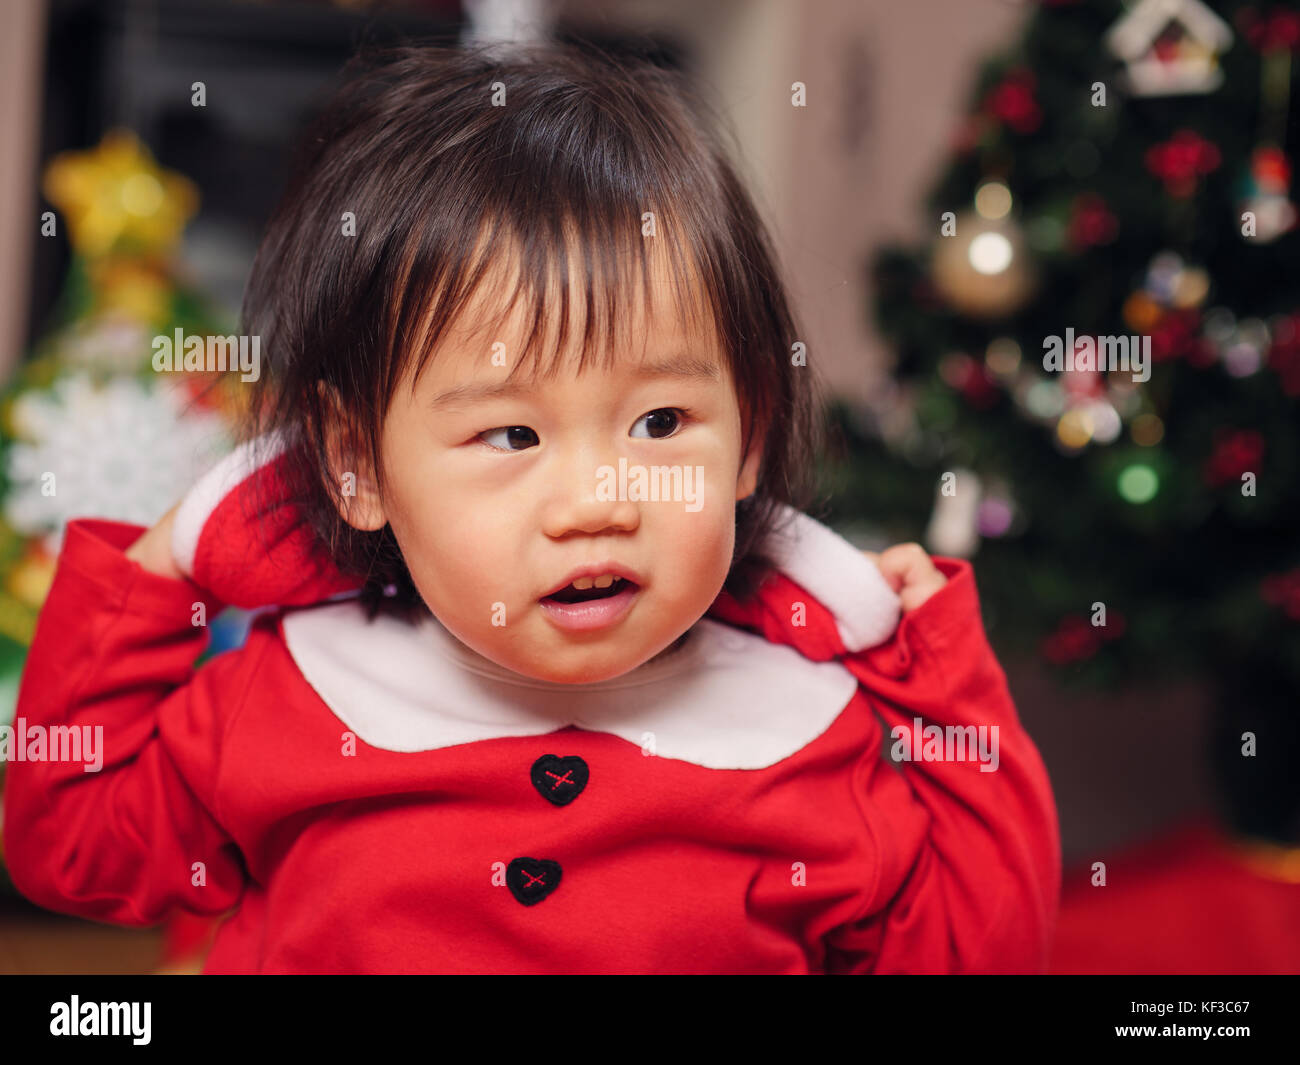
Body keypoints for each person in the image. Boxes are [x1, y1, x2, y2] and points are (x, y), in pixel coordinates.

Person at [2, 41, 1059, 973]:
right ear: (356, 467)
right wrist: (159, 567)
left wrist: (939, 682)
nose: (596, 503)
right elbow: (69, 844)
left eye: (658, 424)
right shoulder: (296, 692)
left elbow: (977, 949)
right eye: (511, 435)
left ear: (750, 434)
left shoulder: (807, 734)